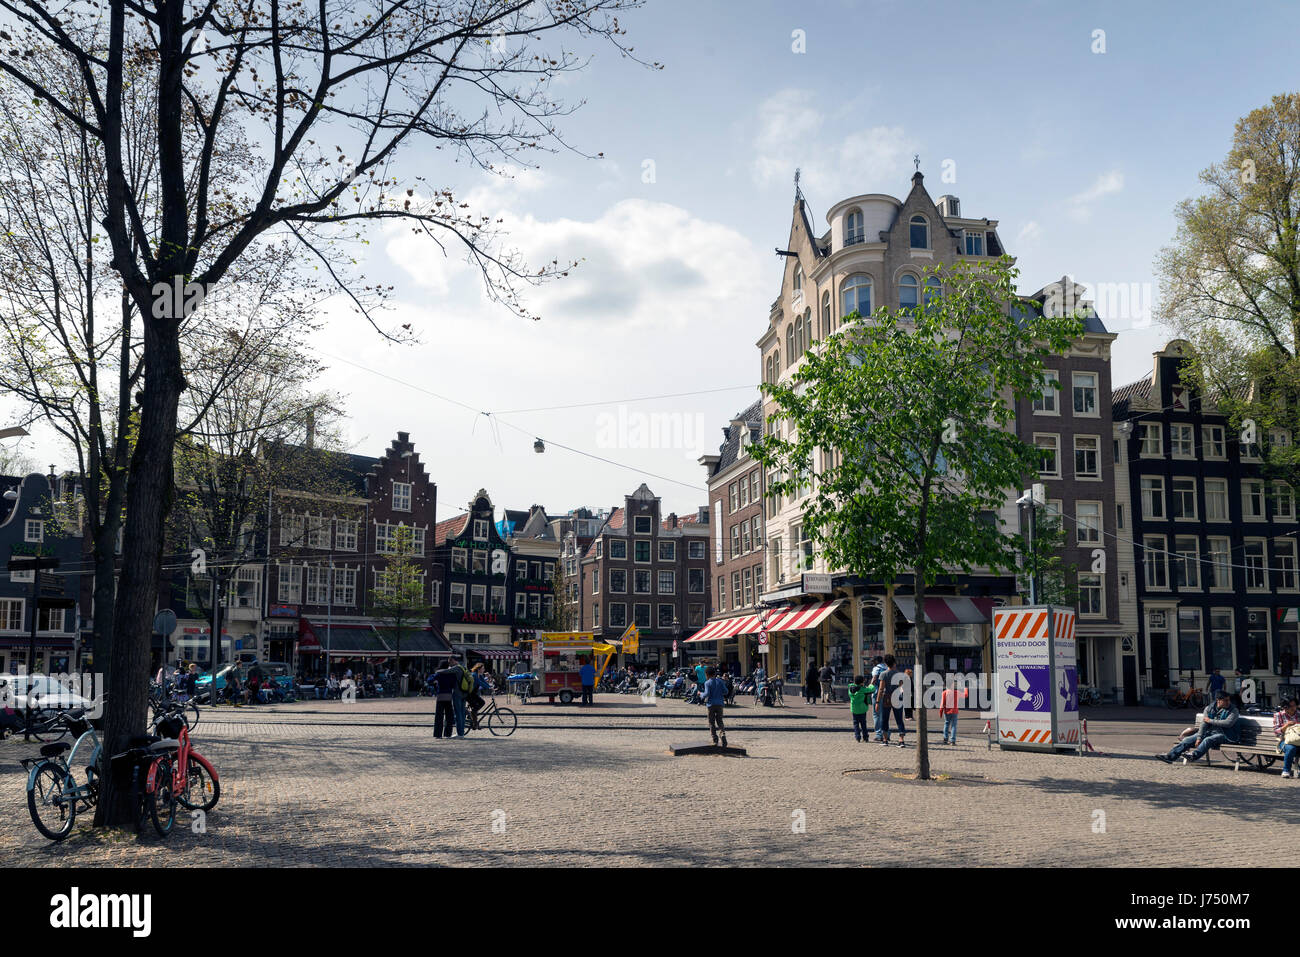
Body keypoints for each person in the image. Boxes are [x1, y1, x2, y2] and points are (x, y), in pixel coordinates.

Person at [1156, 689, 1240, 763]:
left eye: (1229, 700)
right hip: (1210, 732)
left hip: (1227, 735)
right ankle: (1170, 757)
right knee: (1187, 739)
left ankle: (1193, 756)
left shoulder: (1233, 710)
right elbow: (1204, 724)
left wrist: (1210, 721)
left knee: (1208, 740)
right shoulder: (1209, 708)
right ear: (1218, 700)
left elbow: (1228, 723)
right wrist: (1199, 738)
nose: (1228, 702)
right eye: (1225, 700)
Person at [878, 655, 906, 747]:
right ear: (894, 663)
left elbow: (881, 689)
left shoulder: (883, 674)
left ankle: (885, 739)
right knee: (899, 719)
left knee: (885, 719)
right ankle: (901, 740)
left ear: (886, 664)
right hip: (897, 697)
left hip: (887, 697)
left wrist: (877, 702)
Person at [431, 659, 459, 739]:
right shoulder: (451, 674)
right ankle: (447, 733)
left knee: (439, 716)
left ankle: (438, 734)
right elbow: (454, 684)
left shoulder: (439, 674)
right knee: (449, 716)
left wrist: (435, 683)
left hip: (440, 696)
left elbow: (429, 680)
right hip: (449, 696)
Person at [1273, 696, 1300, 779]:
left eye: (1294, 705)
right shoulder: (1279, 715)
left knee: (1294, 748)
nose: (1293, 708)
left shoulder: (1299, 714)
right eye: (1291, 706)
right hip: (1284, 741)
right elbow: (1276, 731)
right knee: (1291, 748)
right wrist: (1287, 725)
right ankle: (1286, 771)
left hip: (1298, 740)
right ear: (1285, 707)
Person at [703, 666, 728, 747]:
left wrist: (700, 695)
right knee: (720, 721)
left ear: (707, 674)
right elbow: (726, 691)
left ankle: (715, 739)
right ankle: (722, 734)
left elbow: (706, 694)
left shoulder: (707, 683)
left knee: (711, 722)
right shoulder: (720, 681)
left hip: (711, 705)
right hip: (720, 704)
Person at [848, 675, 875, 743]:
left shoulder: (850, 688)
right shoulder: (862, 689)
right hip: (862, 709)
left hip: (854, 709)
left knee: (855, 723)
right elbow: (872, 689)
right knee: (863, 723)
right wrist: (871, 684)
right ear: (861, 683)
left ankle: (857, 737)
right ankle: (865, 737)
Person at [467, 663, 491, 730]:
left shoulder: (480, 675)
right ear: (479, 669)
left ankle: (474, 719)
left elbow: (484, 682)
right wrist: (488, 688)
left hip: (473, 694)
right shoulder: (474, 675)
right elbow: (479, 682)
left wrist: (490, 687)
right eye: (483, 668)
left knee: (481, 703)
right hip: (469, 694)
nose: (484, 670)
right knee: (475, 708)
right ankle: (474, 721)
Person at [869, 656, 887, 741]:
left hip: (877, 692)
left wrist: (869, 687)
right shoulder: (886, 667)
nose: (872, 662)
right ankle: (886, 733)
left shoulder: (876, 668)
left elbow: (874, 678)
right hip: (886, 692)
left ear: (876, 661)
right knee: (884, 714)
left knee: (876, 714)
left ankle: (879, 734)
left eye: (873, 661)